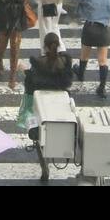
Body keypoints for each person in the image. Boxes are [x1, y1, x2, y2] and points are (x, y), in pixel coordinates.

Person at [24, 32, 74, 181]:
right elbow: (68, 82)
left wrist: (26, 73)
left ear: (44, 46)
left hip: (42, 104)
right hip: (60, 103)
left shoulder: (37, 63)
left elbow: (30, 87)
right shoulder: (65, 62)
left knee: (38, 136)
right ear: (58, 45)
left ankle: (44, 168)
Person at [73, 0, 110, 98]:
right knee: (102, 61)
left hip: (89, 28)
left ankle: (81, 74)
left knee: (84, 55)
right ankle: (101, 88)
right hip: (103, 30)